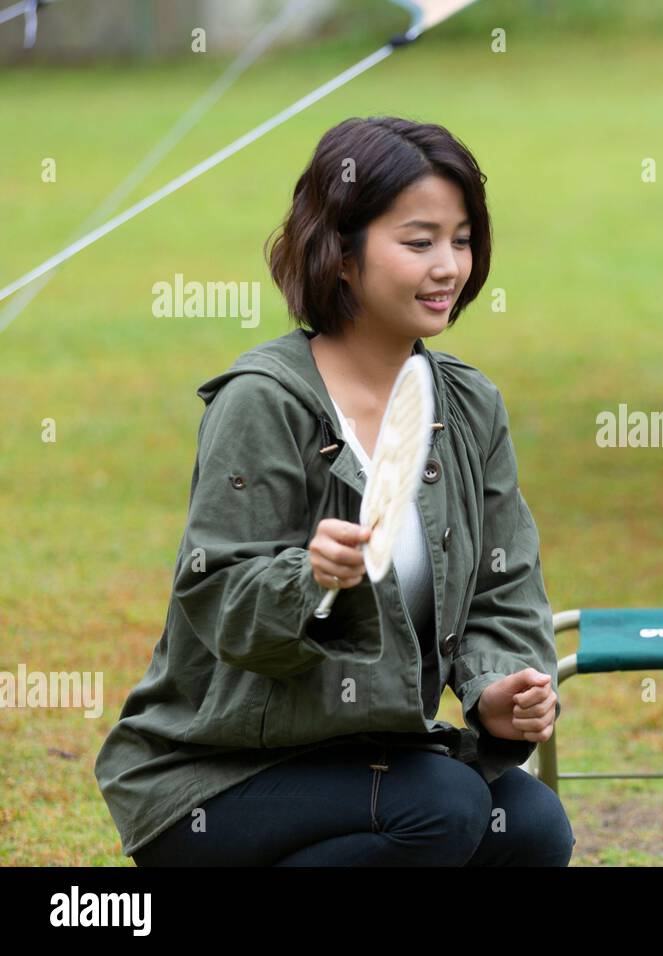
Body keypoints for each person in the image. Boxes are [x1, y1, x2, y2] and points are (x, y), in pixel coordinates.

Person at [94, 117, 573, 866]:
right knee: (441, 809)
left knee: (534, 828)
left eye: (462, 239)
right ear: (340, 254)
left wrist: (495, 690)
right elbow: (218, 602)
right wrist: (310, 579)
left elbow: (502, 592)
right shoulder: (263, 401)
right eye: (419, 242)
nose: (448, 265)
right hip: (219, 774)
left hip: (374, 757)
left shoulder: (471, 407)